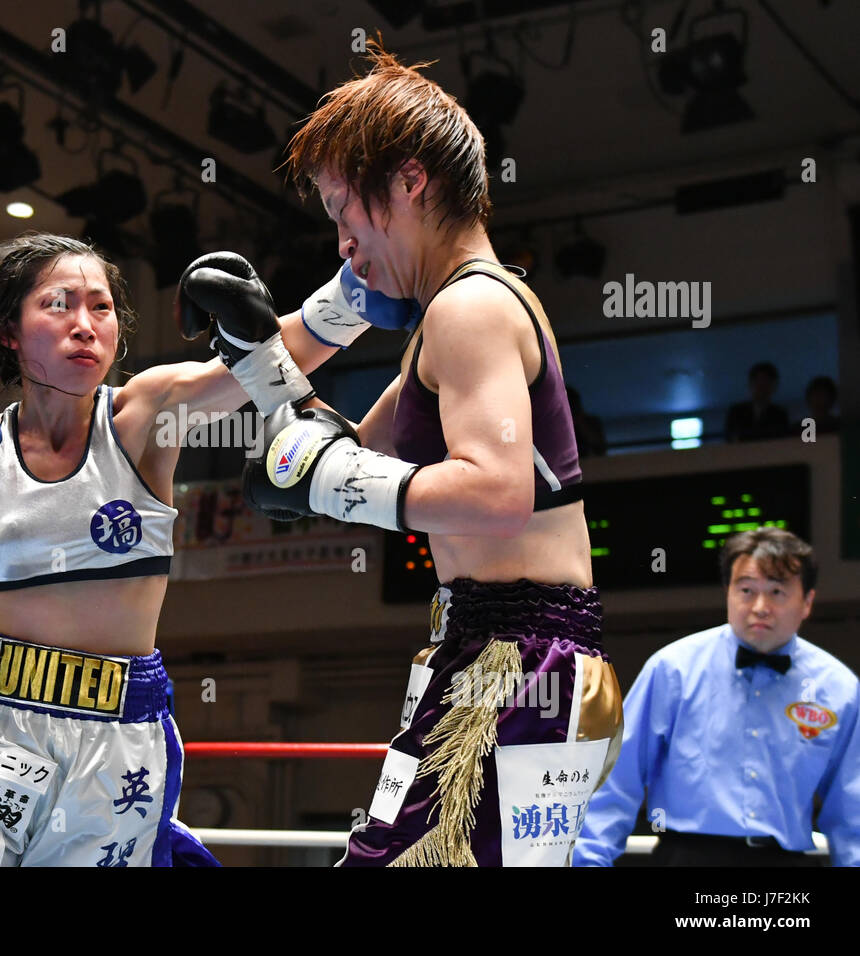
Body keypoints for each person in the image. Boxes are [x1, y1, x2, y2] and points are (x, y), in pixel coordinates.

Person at [176, 44, 623, 866]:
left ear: (410, 183)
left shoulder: (472, 307)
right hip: (493, 648)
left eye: (346, 211)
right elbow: (339, 456)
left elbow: (496, 495)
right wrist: (259, 361)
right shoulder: (453, 314)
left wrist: (329, 478)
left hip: (517, 656)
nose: (344, 246)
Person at [0, 232, 329, 867]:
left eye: (101, 307)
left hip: (119, 731)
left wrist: (360, 293)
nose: (85, 325)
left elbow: (268, 364)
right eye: (60, 304)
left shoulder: (143, 417)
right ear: (11, 331)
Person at [574, 527, 859, 866]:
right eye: (746, 589)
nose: (760, 606)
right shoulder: (673, 669)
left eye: (777, 591)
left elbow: (851, 808)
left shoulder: (838, 687)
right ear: (728, 592)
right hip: (686, 858)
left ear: (807, 601)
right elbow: (616, 781)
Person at [725, 361, 791, 441]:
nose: (762, 388)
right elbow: (730, 441)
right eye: (758, 382)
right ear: (751, 384)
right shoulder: (736, 413)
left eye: (766, 383)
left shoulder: (780, 415)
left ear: (774, 386)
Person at [567, 387, 607, 457]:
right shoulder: (555, 427)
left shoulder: (591, 422)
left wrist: (580, 422)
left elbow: (600, 448)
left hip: (590, 462)